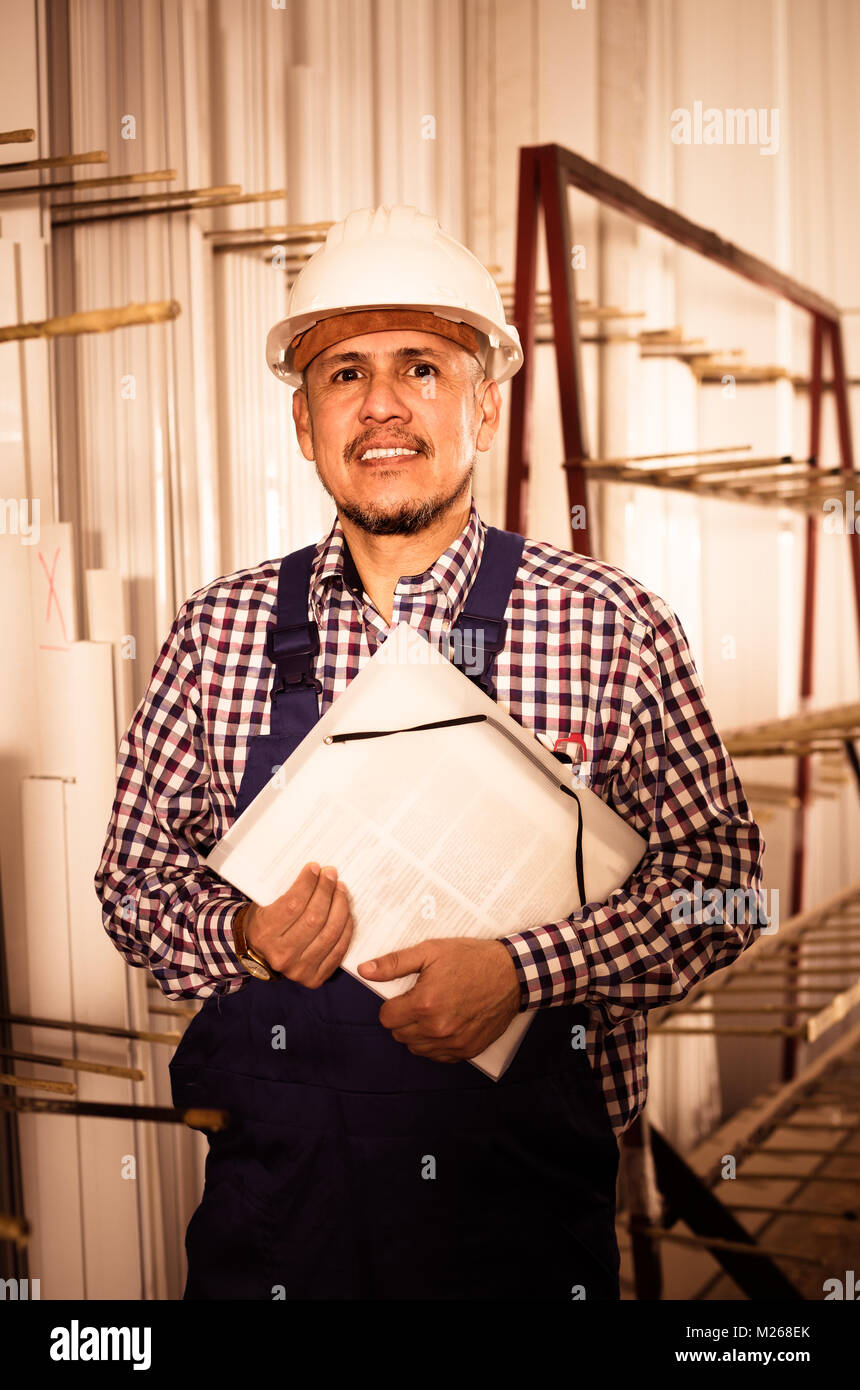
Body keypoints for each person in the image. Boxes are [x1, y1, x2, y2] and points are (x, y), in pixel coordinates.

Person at [95, 203, 765, 1302]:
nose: (383, 406)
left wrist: (523, 972)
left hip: (520, 1235)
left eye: (421, 366)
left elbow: (724, 891)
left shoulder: (609, 623)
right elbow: (132, 885)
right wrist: (243, 932)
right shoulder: (217, 631)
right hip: (278, 1237)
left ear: (484, 404)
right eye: (343, 374)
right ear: (305, 425)